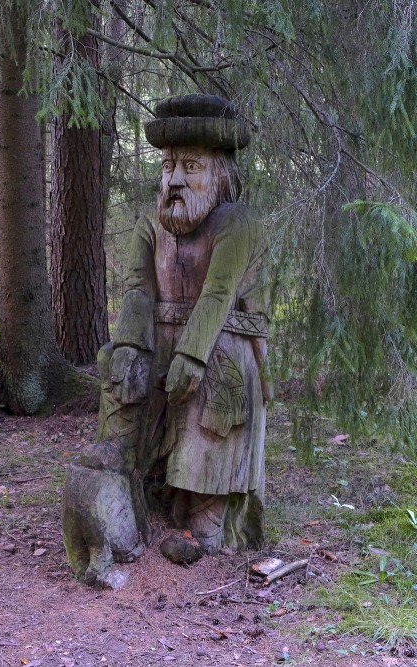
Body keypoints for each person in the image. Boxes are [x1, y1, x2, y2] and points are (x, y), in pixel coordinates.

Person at [105, 93, 269, 556]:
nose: (174, 179)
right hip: (161, 338)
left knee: (213, 388)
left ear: (220, 172)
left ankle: (208, 519)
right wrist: (130, 348)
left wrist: (192, 354)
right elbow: (137, 289)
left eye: (190, 166)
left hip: (219, 341)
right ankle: (124, 498)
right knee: (118, 372)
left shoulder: (238, 222)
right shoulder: (150, 224)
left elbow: (218, 294)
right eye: (168, 166)